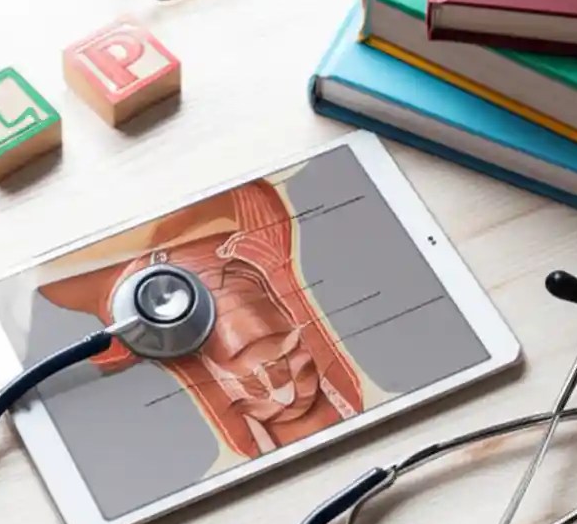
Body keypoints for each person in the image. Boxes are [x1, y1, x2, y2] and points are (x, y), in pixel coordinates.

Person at [39, 178, 363, 459]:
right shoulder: (257, 231)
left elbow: (48, 282)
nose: (282, 392)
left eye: (255, 392)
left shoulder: (86, 300)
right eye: (296, 368)